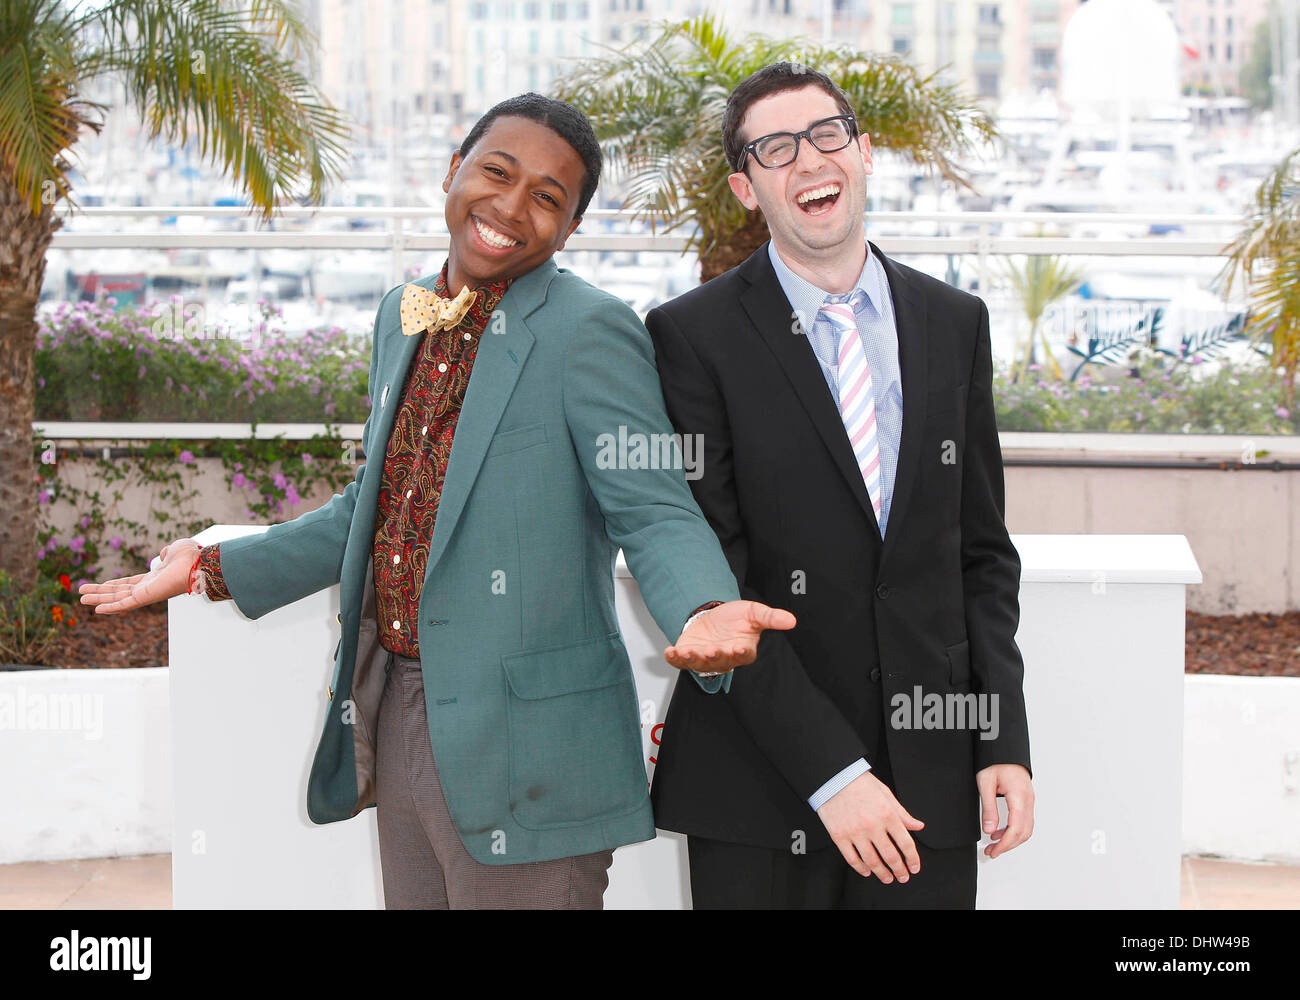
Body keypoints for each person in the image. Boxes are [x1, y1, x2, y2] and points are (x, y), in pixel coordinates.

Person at [79, 93, 794, 910]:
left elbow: (654, 506)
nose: (511, 207)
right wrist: (211, 566)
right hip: (401, 709)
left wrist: (703, 603)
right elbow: (372, 508)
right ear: (454, 170)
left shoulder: (588, 330)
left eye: (548, 198)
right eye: (497, 172)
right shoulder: (401, 313)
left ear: (570, 231)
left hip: (532, 754)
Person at [644, 63, 1035, 909]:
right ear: (746, 188)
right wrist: (833, 774)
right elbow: (718, 580)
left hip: (930, 779)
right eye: (775, 150)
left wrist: (1001, 735)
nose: (808, 160)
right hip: (762, 781)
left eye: (826, 135)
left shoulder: (954, 321)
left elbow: (981, 553)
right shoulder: (689, 336)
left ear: (861, 151)